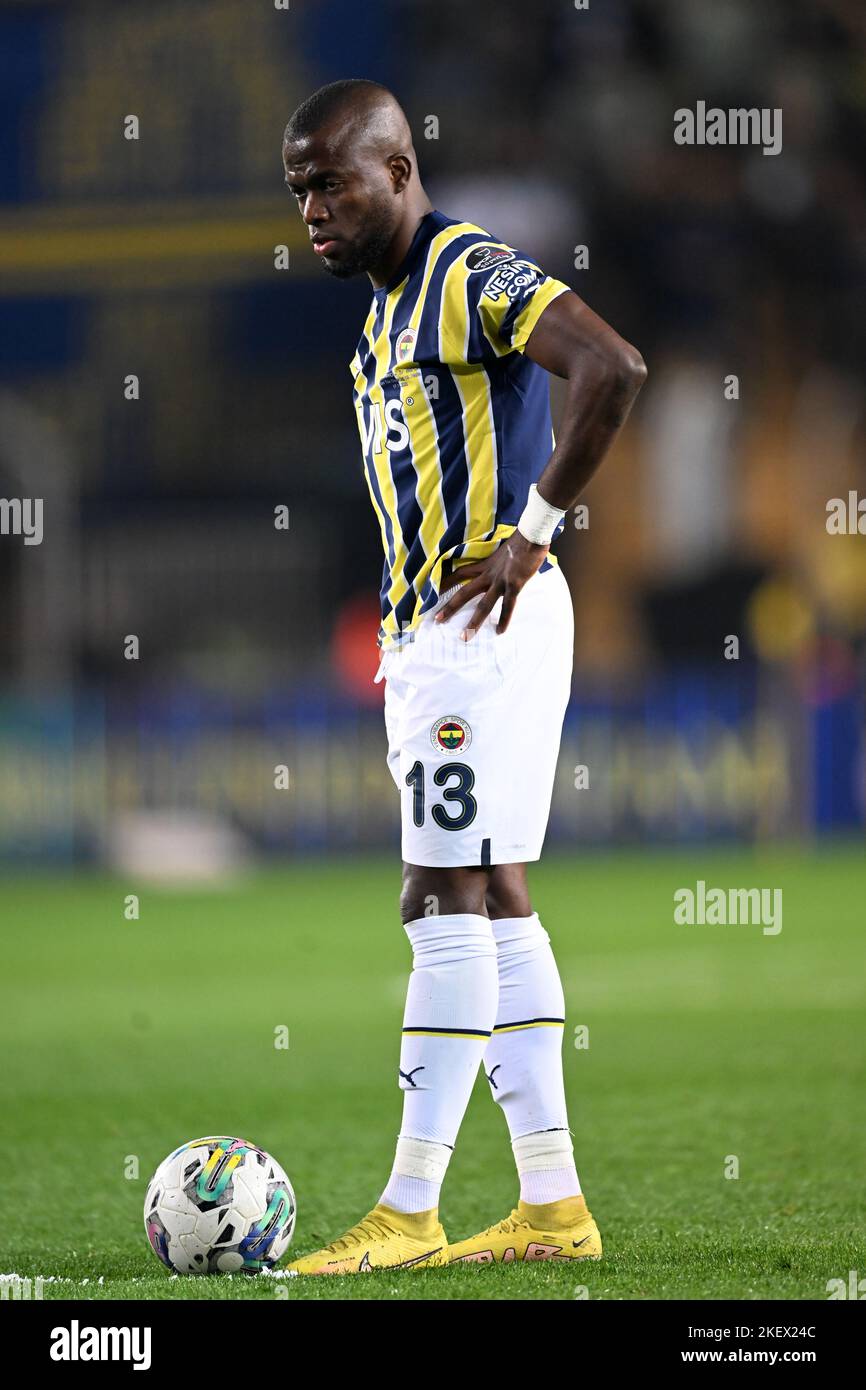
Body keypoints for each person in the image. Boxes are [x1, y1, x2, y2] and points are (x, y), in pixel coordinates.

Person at [281, 79, 646, 1275]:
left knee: (437, 898)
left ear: (396, 170)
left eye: (331, 182)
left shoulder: (467, 269)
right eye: (298, 191)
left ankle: (410, 1207)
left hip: (477, 625)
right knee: (491, 895)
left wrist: (534, 523)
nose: (313, 211)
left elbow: (609, 366)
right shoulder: (385, 310)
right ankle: (550, 1202)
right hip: (442, 637)